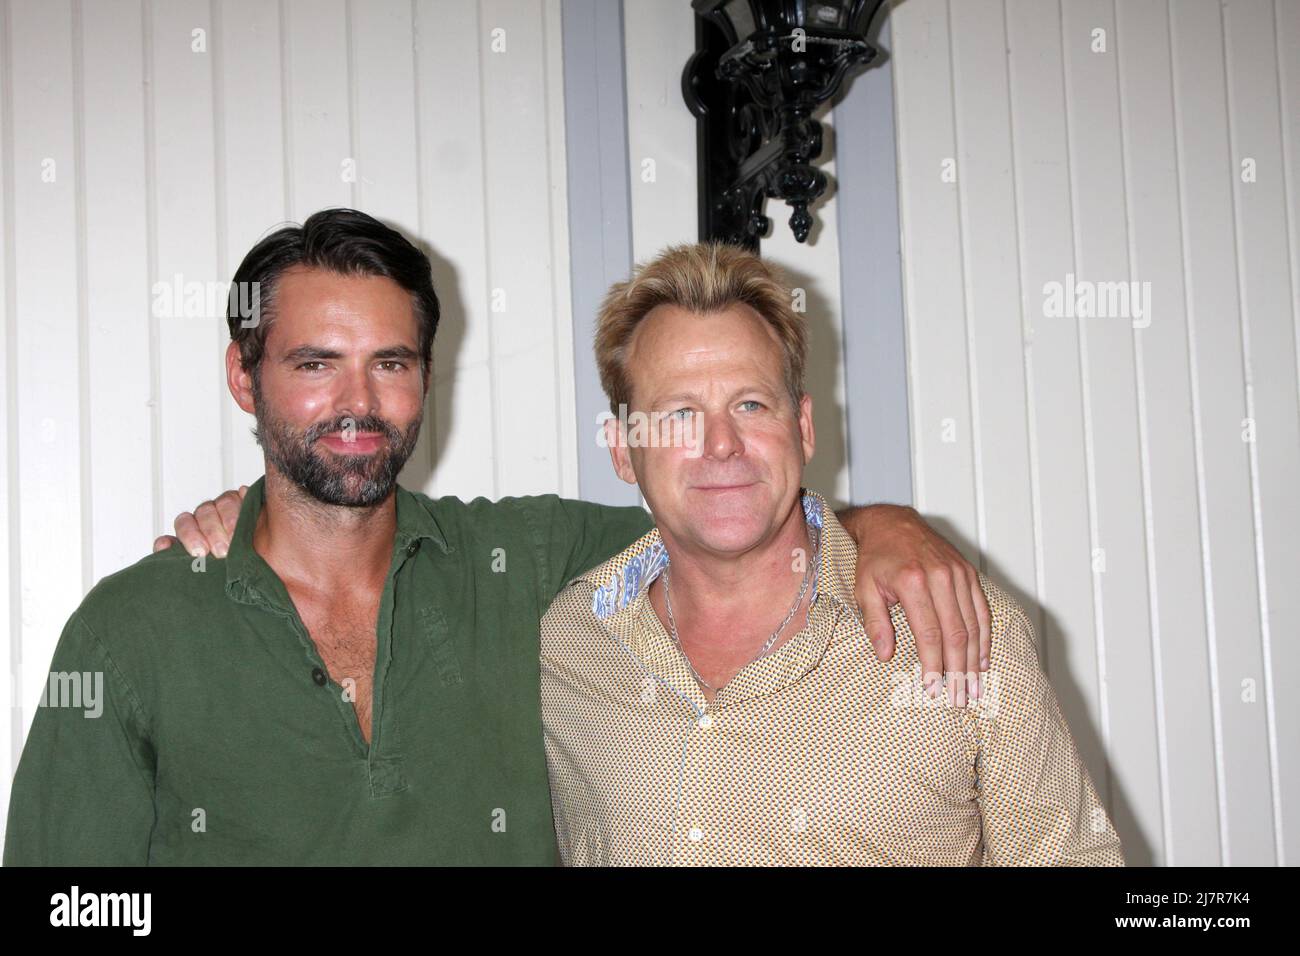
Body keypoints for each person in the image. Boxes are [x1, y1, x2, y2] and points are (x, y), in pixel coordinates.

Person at [4, 210, 987, 865]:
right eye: (315, 363)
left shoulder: (532, 567)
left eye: (390, 362)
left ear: (427, 376)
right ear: (244, 375)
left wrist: (876, 521)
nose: (356, 403)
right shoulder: (130, 632)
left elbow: (722, 509)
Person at [539, 243, 1124, 865]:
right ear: (624, 450)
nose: (722, 444)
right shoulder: (569, 643)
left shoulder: (959, 628)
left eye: (751, 404)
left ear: (805, 428)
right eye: (681, 413)